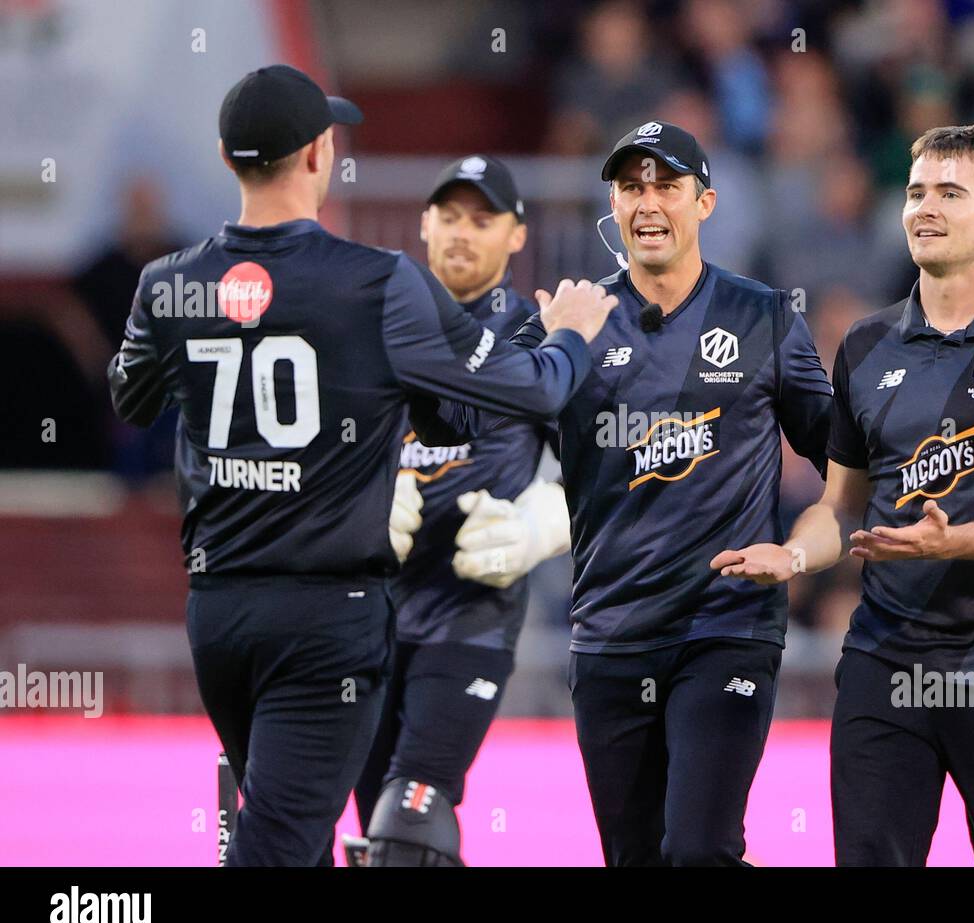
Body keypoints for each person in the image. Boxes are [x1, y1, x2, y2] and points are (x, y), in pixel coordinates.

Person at [106, 65, 614, 866]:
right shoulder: (376, 285)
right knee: (288, 842)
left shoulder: (166, 284)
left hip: (219, 613)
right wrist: (575, 335)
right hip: (330, 614)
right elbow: (536, 388)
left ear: (224, 156)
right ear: (319, 156)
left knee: (292, 825)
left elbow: (130, 400)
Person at [713, 125, 974, 866]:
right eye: (916, 191)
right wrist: (797, 553)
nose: (925, 207)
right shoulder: (865, 345)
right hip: (883, 660)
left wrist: (949, 541)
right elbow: (841, 506)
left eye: (950, 193)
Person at [455, 121, 833, 865]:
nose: (648, 200)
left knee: (697, 850)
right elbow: (477, 422)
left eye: (667, 185)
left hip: (727, 628)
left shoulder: (763, 317)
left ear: (706, 203)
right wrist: (554, 339)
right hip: (610, 635)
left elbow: (841, 460)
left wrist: (796, 552)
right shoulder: (572, 322)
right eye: (632, 186)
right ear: (614, 205)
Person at [351, 156, 569, 866]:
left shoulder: (536, 339)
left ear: (515, 235)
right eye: (449, 216)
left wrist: (545, 523)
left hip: (468, 618)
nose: (461, 234)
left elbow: (608, 474)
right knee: (379, 827)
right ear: (423, 224)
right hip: (362, 620)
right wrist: (357, 509)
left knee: (409, 816)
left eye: (482, 220)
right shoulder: (368, 329)